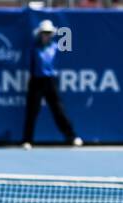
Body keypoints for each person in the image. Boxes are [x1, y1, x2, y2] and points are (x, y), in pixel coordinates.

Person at [22, 19, 82, 148]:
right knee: (32, 111)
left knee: (59, 110)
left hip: (51, 81)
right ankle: (27, 140)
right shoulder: (34, 48)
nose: (46, 35)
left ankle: (71, 137)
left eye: (48, 32)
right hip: (36, 81)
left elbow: (66, 49)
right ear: (40, 34)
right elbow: (29, 64)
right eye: (44, 32)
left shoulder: (56, 47)